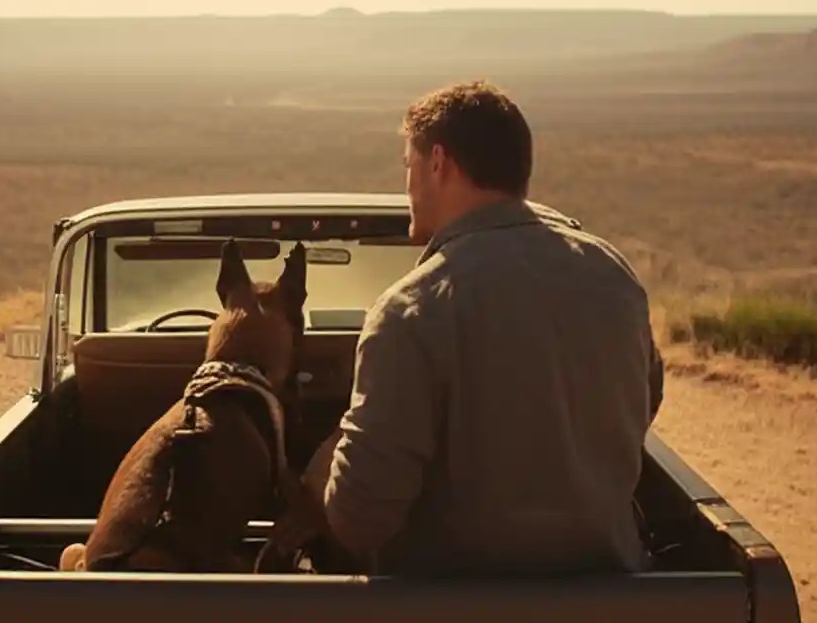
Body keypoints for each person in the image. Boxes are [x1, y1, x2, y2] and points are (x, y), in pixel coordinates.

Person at [278, 80, 665, 576]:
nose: (408, 186)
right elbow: (644, 399)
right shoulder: (613, 276)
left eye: (409, 166)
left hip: (453, 598)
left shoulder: (412, 310)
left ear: (438, 163)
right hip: (613, 590)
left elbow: (360, 519)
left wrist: (323, 474)